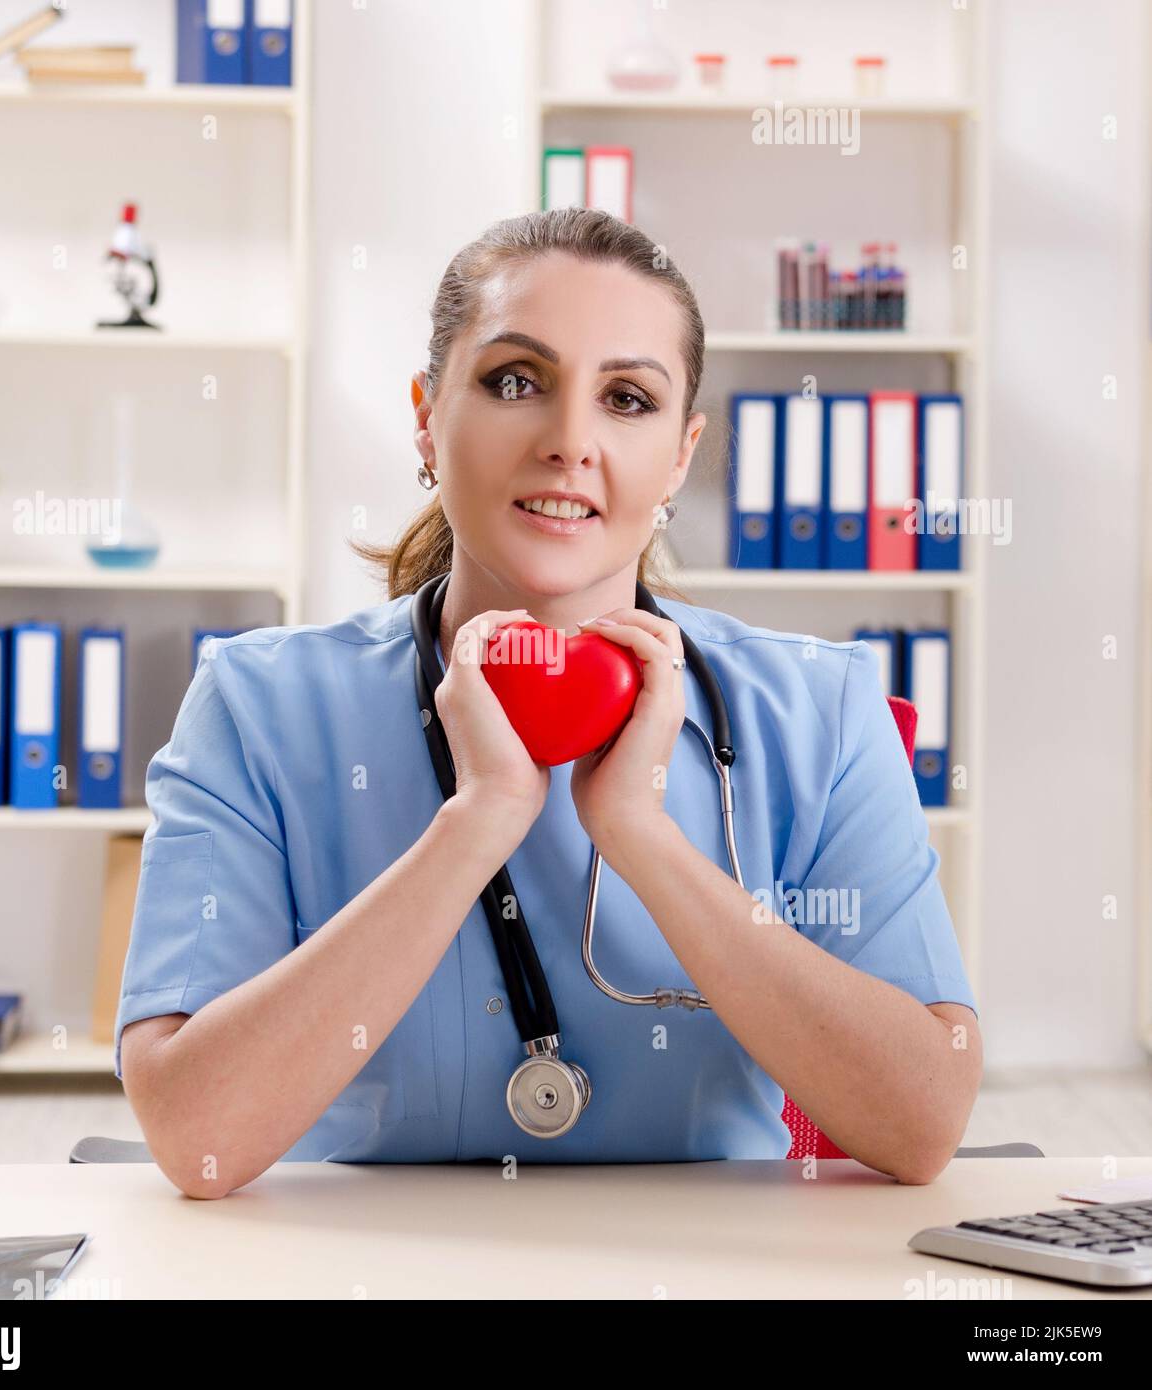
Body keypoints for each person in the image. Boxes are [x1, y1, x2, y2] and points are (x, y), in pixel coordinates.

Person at [116, 207, 981, 1199]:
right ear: (425, 417)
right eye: (514, 382)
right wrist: (476, 822)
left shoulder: (819, 708)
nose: (569, 442)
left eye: (625, 398)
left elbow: (919, 1127)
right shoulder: (257, 706)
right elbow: (196, 1138)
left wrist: (641, 833)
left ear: (679, 454)